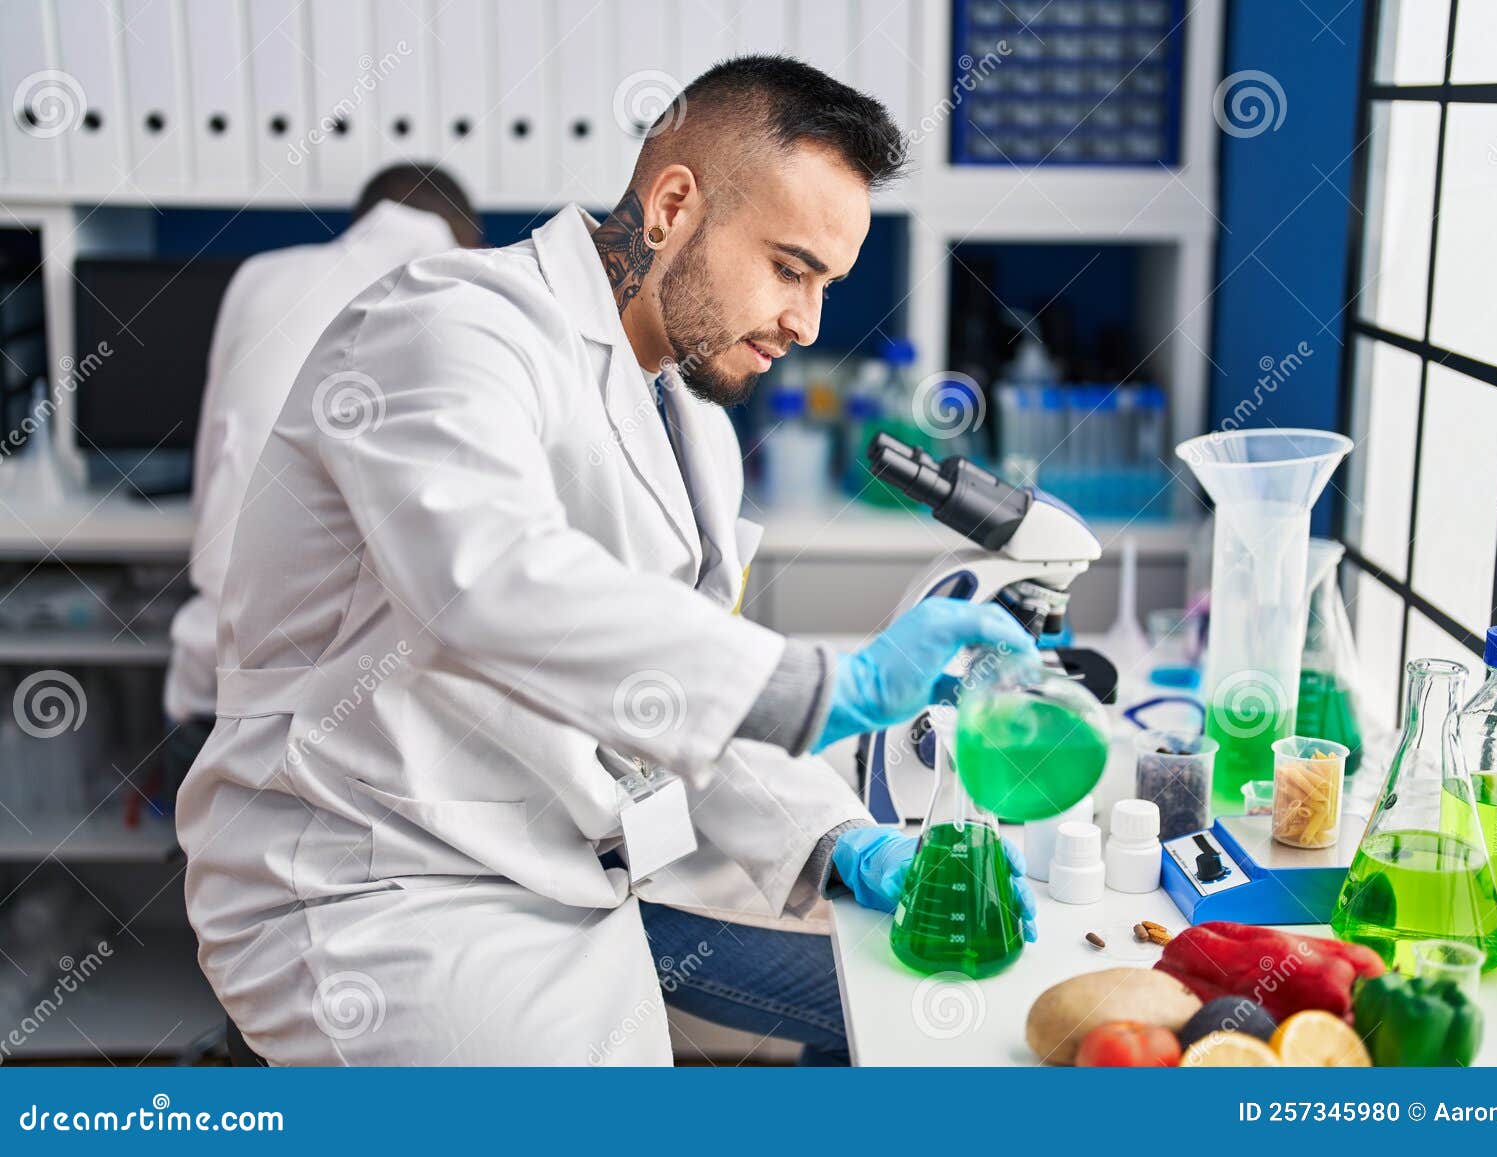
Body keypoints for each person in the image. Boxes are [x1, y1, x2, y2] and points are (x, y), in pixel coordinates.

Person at [175, 56, 1037, 1067]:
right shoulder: (447, 324)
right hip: (382, 895)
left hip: (561, 876)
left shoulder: (690, 419)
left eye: (826, 285)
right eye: (790, 268)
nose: (807, 324)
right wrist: (824, 682)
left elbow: (665, 712)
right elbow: (489, 583)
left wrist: (833, 834)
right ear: (674, 204)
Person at [162, 163, 482, 787]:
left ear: (358, 222)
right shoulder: (467, 292)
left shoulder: (256, 278)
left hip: (212, 688)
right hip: (360, 727)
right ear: (471, 239)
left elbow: (217, 466)